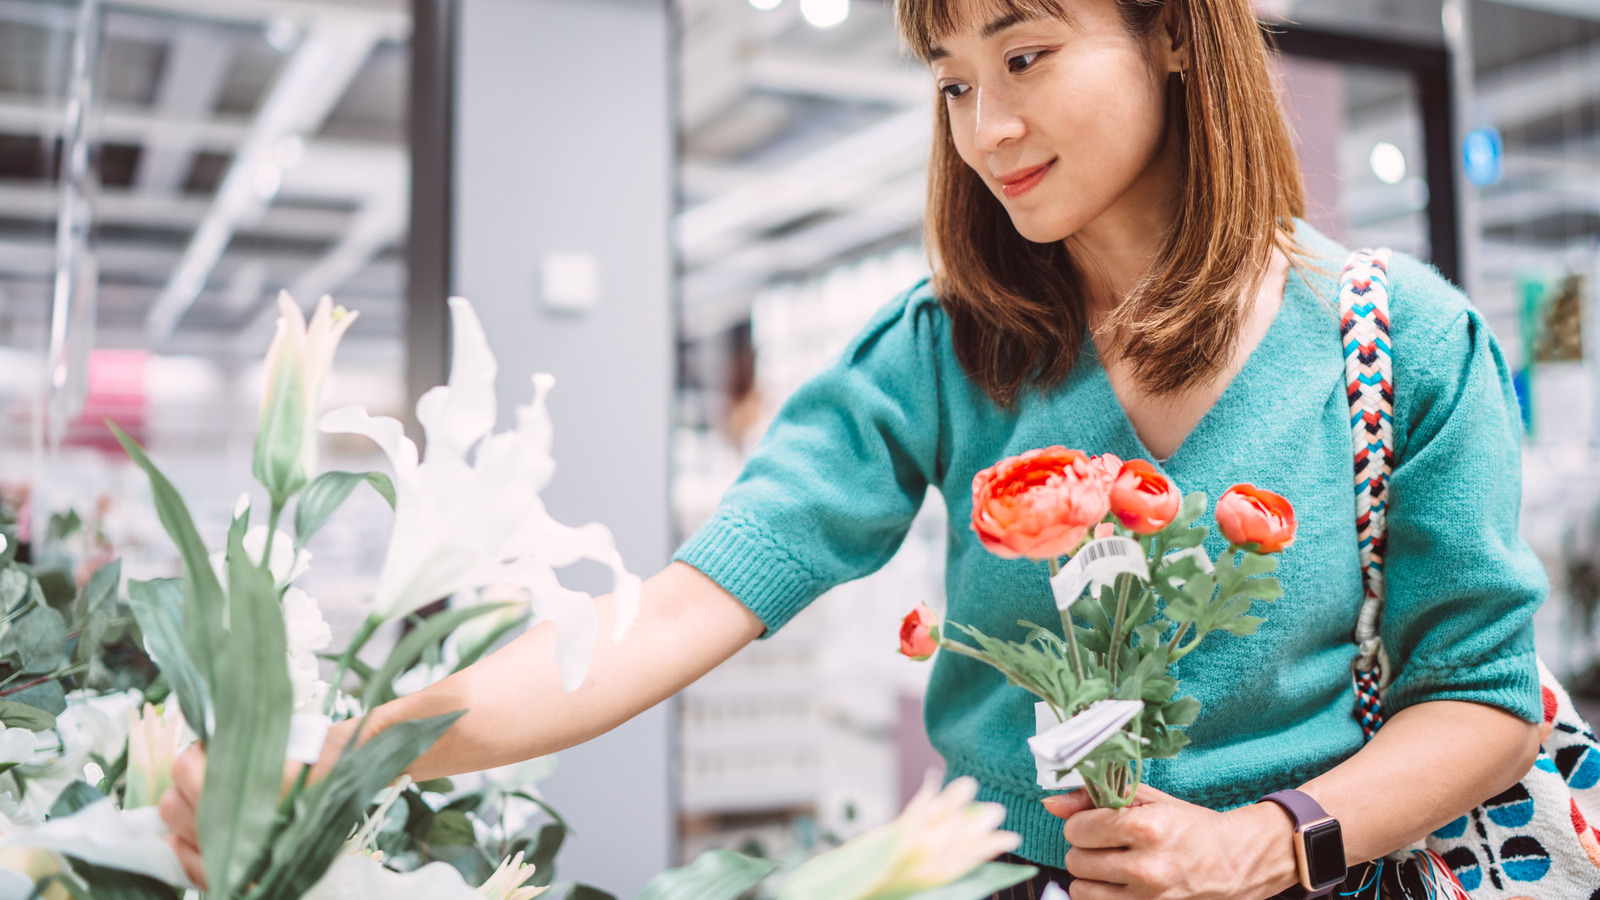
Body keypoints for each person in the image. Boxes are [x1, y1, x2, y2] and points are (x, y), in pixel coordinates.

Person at [161, 0, 1544, 896]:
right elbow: (670, 613)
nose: (986, 125)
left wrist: (1259, 844)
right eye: (949, 79)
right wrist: (349, 751)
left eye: (1024, 52)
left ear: (1177, 33)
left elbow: (1485, 700)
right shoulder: (950, 350)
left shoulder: (1399, 344)